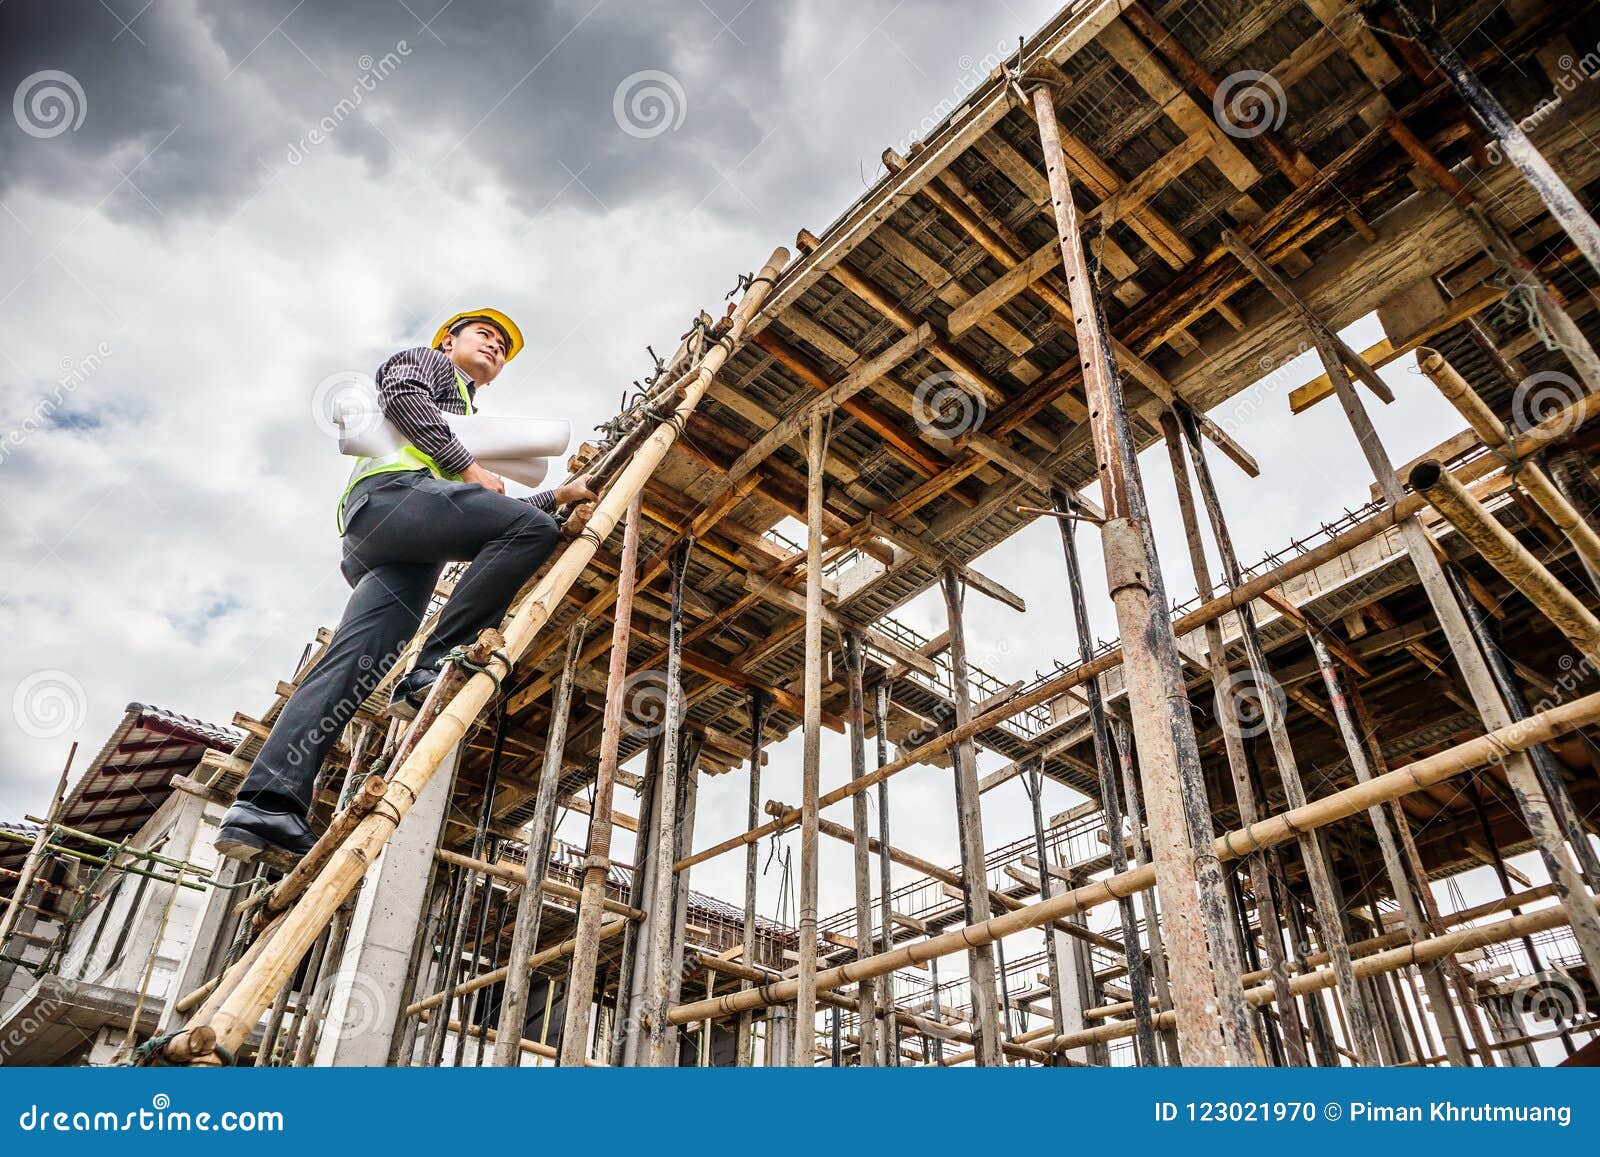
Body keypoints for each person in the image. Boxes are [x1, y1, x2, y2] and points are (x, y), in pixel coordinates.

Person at [215, 309, 596, 862]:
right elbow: (400, 396)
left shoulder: (464, 419)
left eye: (504, 349)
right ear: (450, 340)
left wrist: (558, 496)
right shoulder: (431, 366)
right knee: (530, 530)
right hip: (394, 502)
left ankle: (268, 804)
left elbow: (494, 514)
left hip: (399, 550)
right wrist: (466, 467)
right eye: (484, 335)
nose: (495, 346)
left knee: (350, 664)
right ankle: (435, 665)